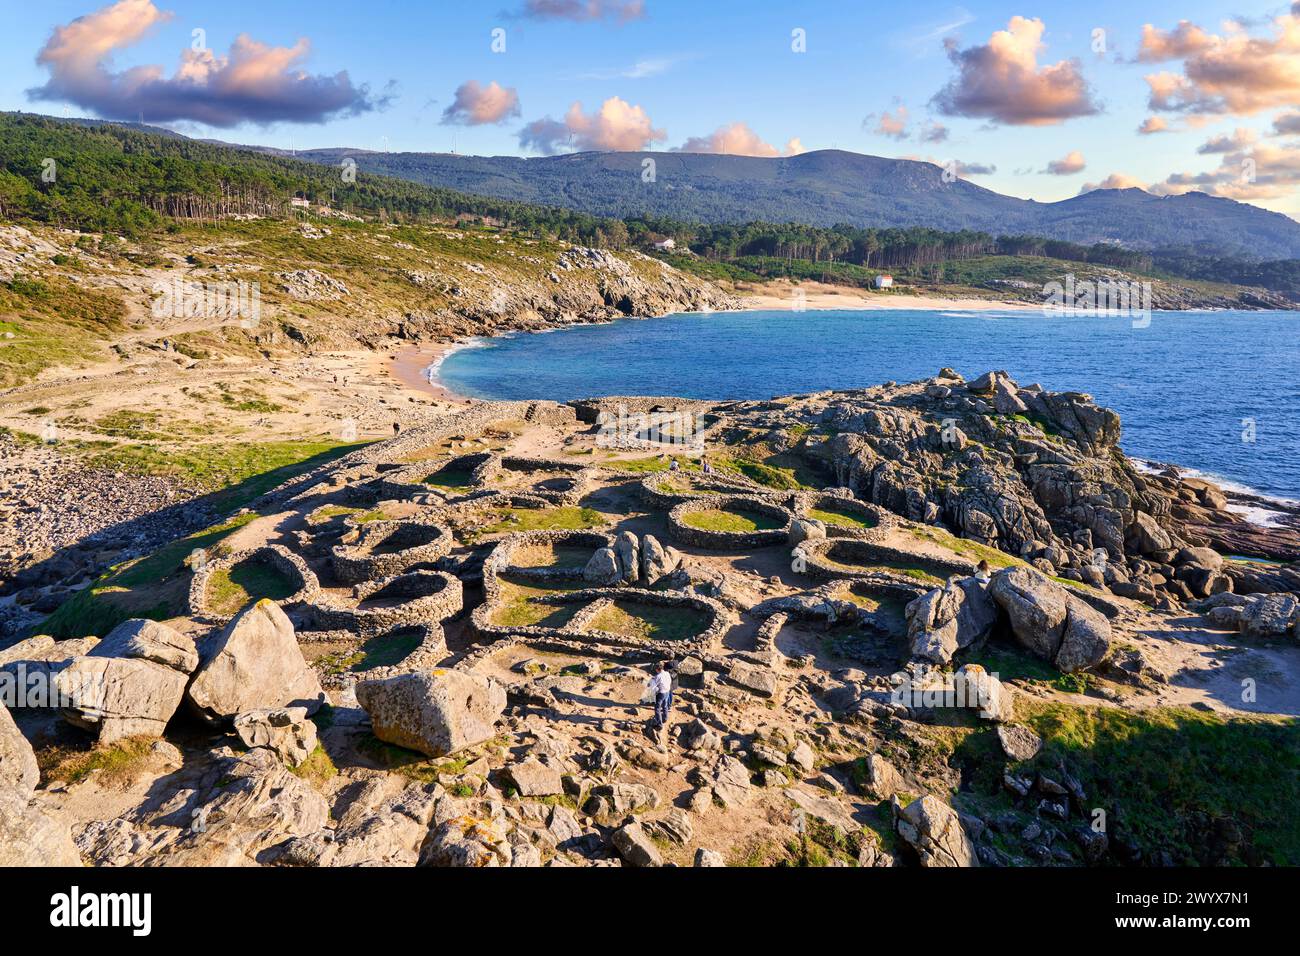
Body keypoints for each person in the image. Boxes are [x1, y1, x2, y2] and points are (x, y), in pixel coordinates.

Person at [649, 661, 673, 729]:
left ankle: (659, 724)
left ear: (657, 669)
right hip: (667, 692)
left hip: (661, 693)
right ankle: (665, 718)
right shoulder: (667, 673)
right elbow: (670, 681)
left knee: (657, 709)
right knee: (665, 706)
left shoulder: (657, 676)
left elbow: (653, 687)